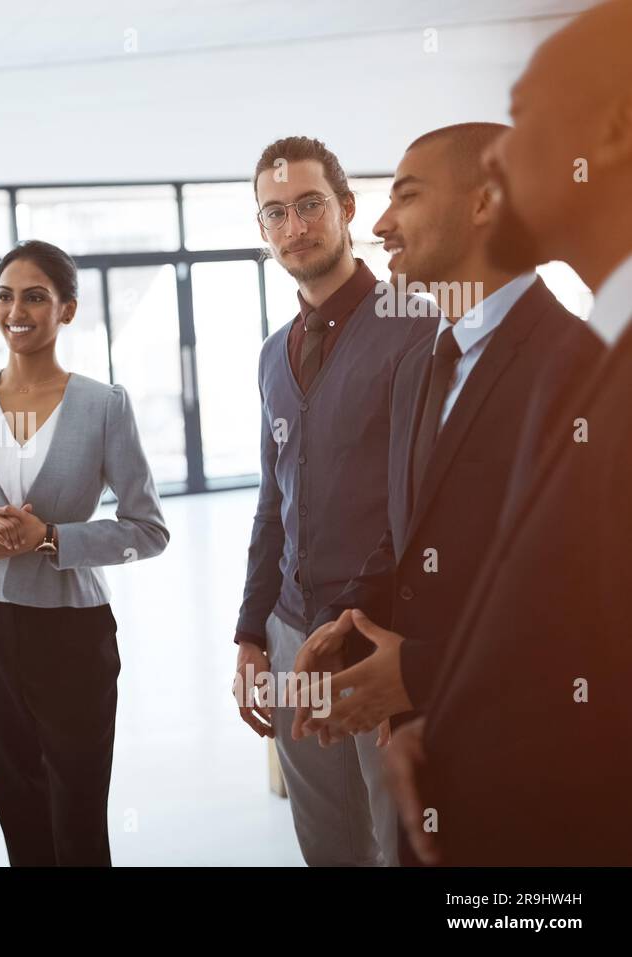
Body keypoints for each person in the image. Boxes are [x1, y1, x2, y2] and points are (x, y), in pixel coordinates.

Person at [382, 0, 632, 866]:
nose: (497, 150)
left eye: (520, 116)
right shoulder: (597, 357)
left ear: (612, 129)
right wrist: (440, 723)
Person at [290, 123, 602, 753]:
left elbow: (593, 605)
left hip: (532, 762)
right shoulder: (419, 365)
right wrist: (345, 621)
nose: (379, 226)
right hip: (425, 750)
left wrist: (417, 676)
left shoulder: (584, 371)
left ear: (483, 203)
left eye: (406, 197)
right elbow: (410, 533)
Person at [0, 239, 168, 866]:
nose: (17, 310)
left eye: (36, 296)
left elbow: (148, 530)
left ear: (68, 310)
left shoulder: (102, 406)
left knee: (78, 805)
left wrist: (53, 538)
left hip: (75, 630)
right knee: (17, 799)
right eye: (5, 295)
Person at [231, 136, 432, 866]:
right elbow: (271, 502)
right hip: (290, 635)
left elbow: (425, 501)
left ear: (347, 209)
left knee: (399, 839)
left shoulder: (417, 324)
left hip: (378, 631)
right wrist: (251, 633)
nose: (295, 227)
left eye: (310, 205)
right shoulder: (270, 355)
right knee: (326, 843)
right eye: (275, 213)